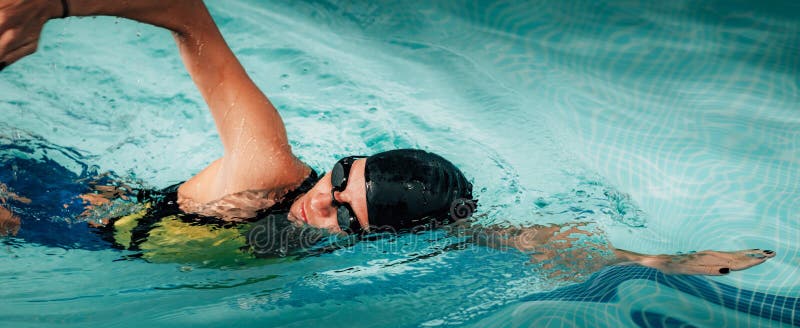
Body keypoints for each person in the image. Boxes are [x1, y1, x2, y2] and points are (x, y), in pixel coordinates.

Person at [0, 0, 775, 275]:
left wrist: (661, 262)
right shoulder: (266, 170)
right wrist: (52, 5)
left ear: (373, 240)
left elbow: (514, 238)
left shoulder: (349, 238)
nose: (322, 202)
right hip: (47, 211)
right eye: (341, 177)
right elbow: (182, 9)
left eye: (346, 213)